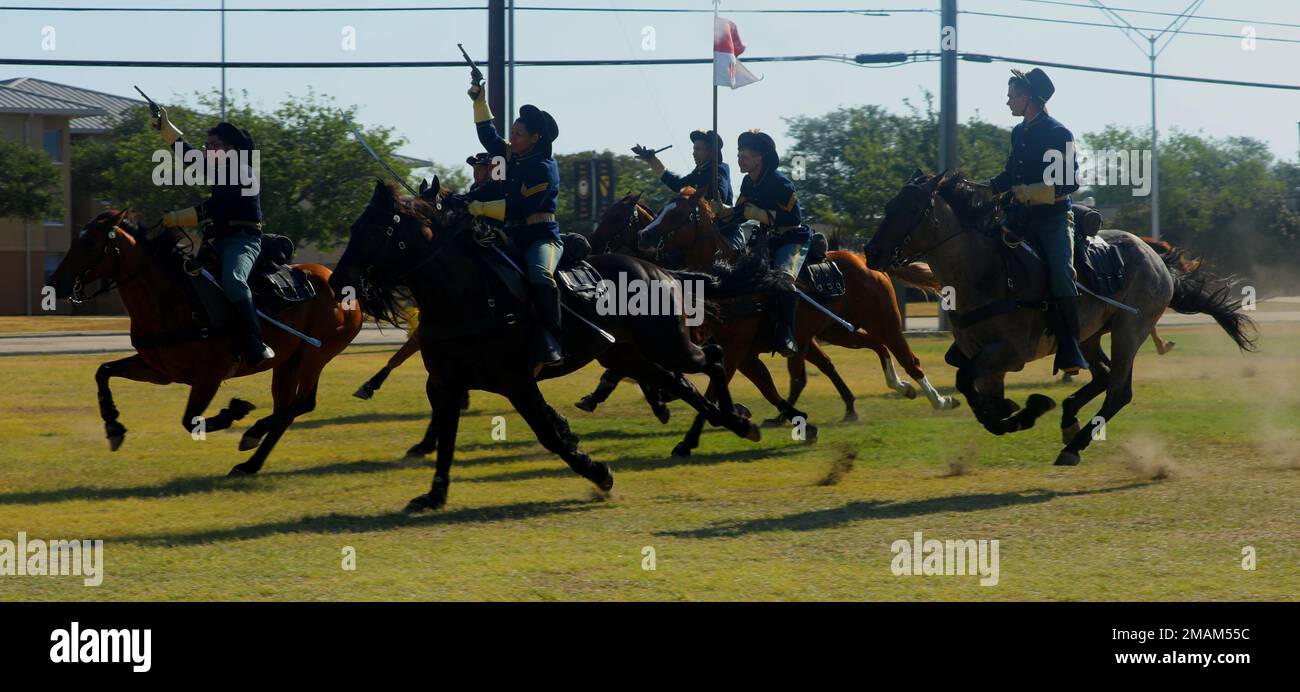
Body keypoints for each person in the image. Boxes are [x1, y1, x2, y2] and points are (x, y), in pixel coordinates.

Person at [150, 108, 274, 367]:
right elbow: (191, 156)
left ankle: (255, 341)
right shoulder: (222, 169)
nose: (207, 150)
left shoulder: (242, 172)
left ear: (231, 149)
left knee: (234, 280)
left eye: (213, 145)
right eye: (207, 145)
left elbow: (214, 208)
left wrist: (175, 218)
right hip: (217, 240)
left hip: (242, 240)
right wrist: (166, 128)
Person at [988, 67, 1089, 375]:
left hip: (1052, 220)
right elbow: (1008, 176)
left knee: (1060, 272)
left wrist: (1031, 191)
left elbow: (1070, 182)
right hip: (1019, 219)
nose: (1007, 102)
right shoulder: (1019, 132)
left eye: (1011, 96)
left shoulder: (1059, 134)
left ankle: (1070, 345)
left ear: (1028, 97)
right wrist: (981, 188)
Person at [465, 79, 564, 369]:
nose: (512, 136)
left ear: (535, 138)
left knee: (539, 274)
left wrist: (478, 207)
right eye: (512, 131)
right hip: (511, 236)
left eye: (518, 133)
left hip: (541, 238)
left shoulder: (543, 168)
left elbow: (520, 207)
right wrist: (478, 100)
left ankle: (551, 339)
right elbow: (489, 137)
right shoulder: (512, 157)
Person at [710, 129, 810, 356]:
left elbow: (794, 218)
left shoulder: (780, 183)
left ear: (759, 159)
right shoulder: (748, 182)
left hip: (791, 239)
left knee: (784, 280)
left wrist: (761, 215)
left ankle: (786, 335)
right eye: (738, 155)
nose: (739, 159)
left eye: (744, 156)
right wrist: (721, 212)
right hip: (765, 240)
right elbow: (739, 214)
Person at [634, 129, 737, 249]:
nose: (694, 153)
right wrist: (652, 160)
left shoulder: (719, 169)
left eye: (698, 149)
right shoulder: (698, 172)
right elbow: (677, 184)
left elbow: (720, 197)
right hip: (698, 225)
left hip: (722, 228)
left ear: (710, 151)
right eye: (694, 149)